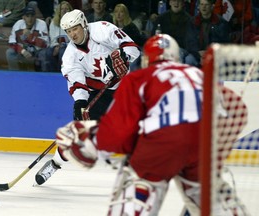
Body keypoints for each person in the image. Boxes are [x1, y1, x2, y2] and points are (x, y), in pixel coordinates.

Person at [54, 34, 250, 216]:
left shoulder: (139, 78)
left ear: (147, 60)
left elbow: (119, 131)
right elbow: (238, 110)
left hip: (159, 147)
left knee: (140, 185)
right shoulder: (199, 76)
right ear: (177, 58)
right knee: (207, 192)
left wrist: (92, 142)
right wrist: (213, 146)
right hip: (200, 146)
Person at [34, 9, 140, 185]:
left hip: (125, 87)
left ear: (83, 24)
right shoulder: (70, 56)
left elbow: (133, 49)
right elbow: (77, 82)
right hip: (99, 92)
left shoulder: (103, 30)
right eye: (68, 31)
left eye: (75, 29)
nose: (72, 34)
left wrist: (123, 56)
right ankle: (55, 163)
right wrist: (80, 103)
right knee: (78, 134)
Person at [185, 0, 231, 67]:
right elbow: (189, 41)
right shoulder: (193, 21)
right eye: (202, 4)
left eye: (206, 5)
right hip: (197, 54)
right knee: (189, 59)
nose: (204, 7)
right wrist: (198, 53)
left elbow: (224, 42)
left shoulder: (220, 22)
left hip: (214, 54)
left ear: (212, 7)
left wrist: (209, 53)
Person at [6, 6, 49, 71]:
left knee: (44, 53)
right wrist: (23, 51)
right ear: (23, 17)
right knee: (10, 52)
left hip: (38, 51)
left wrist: (30, 36)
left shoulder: (41, 24)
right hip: (23, 50)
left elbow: (44, 44)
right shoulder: (18, 24)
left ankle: (43, 77)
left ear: (35, 17)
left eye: (32, 16)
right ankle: (14, 75)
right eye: (27, 16)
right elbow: (12, 43)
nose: (30, 18)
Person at [152, 0, 195, 65]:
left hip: (181, 48)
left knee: (177, 53)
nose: (176, 3)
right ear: (170, 3)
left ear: (183, 3)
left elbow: (189, 41)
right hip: (164, 47)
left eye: (179, 1)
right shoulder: (161, 18)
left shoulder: (189, 20)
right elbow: (154, 36)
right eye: (174, 0)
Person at [112, 3, 147, 71]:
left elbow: (139, 40)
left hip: (130, 53)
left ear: (125, 14)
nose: (118, 14)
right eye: (116, 12)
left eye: (121, 12)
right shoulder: (112, 27)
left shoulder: (131, 27)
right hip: (115, 53)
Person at [45, 1, 73, 72]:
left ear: (70, 11)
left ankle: (61, 73)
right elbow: (52, 38)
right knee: (48, 52)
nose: (64, 10)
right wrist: (57, 45)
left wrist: (62, 45)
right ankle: (52, 73)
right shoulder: (53, 22)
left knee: (62, 51)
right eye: (62, 9)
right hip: (56, 45)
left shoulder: (74, 22)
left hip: (69, 46)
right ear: (59, 11)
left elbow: (73, 39)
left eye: (66, 9)